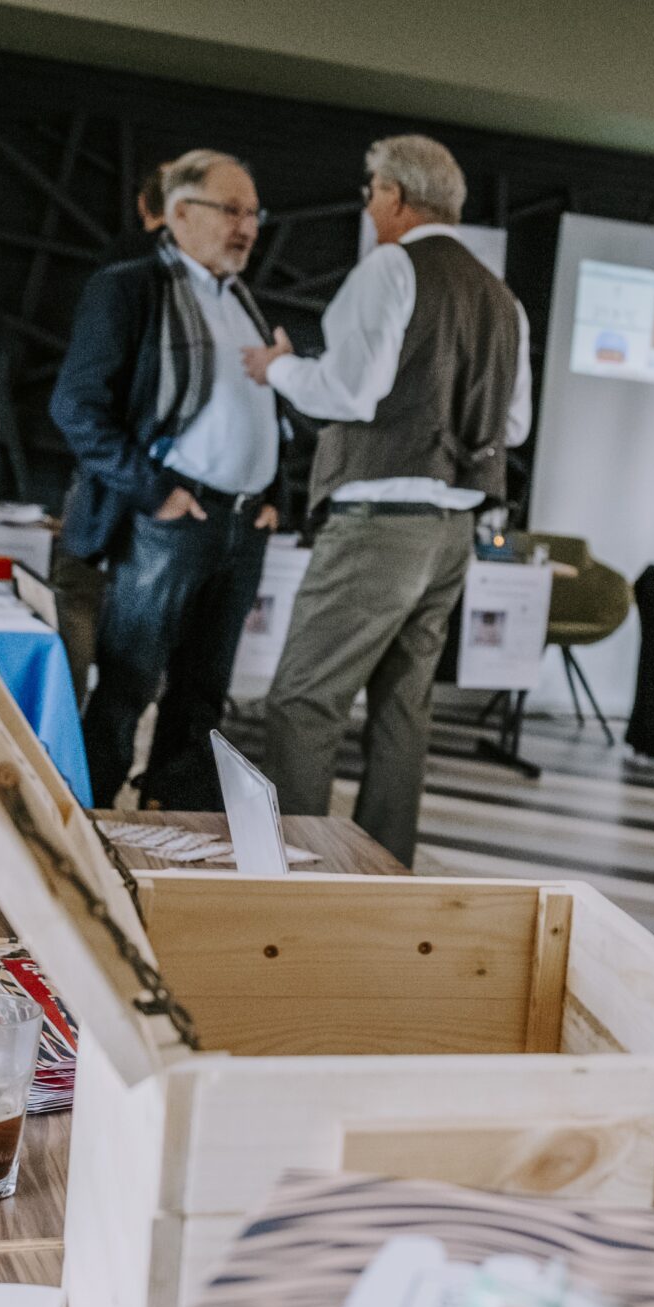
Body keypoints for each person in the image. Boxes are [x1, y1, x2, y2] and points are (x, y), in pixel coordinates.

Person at [244, 134, 532, 865]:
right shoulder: (504, 300)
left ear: (397, 197)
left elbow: (349, 389)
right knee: (404, 707)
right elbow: (517, 423)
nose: (369, 206)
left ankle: (289, 873)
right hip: (453, 530)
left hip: (382, 521)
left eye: (372, 191)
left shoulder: (392, 266)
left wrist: (279, 368)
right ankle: (381, 871)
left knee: (305, 699)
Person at [50, 150, 285, 809]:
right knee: (128, 684)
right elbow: (76, 405)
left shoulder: (242, 299)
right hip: (167, 518)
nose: (247, 226)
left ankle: (172, 826)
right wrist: (157, 493)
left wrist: (275, 496)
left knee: (203, 692)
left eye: (254, 213)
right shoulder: (127, 287)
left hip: (241, 525)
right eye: (231, 209)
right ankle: (87, 825)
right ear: (180, 212)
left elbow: (267, 409)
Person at [52, 171, 174, 698]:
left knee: (78, 592)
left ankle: (71, 739)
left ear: (145, 209)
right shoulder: (148, 278)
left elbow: (82, 397)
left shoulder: (121, 268)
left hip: (121, 474)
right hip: (156, 480)